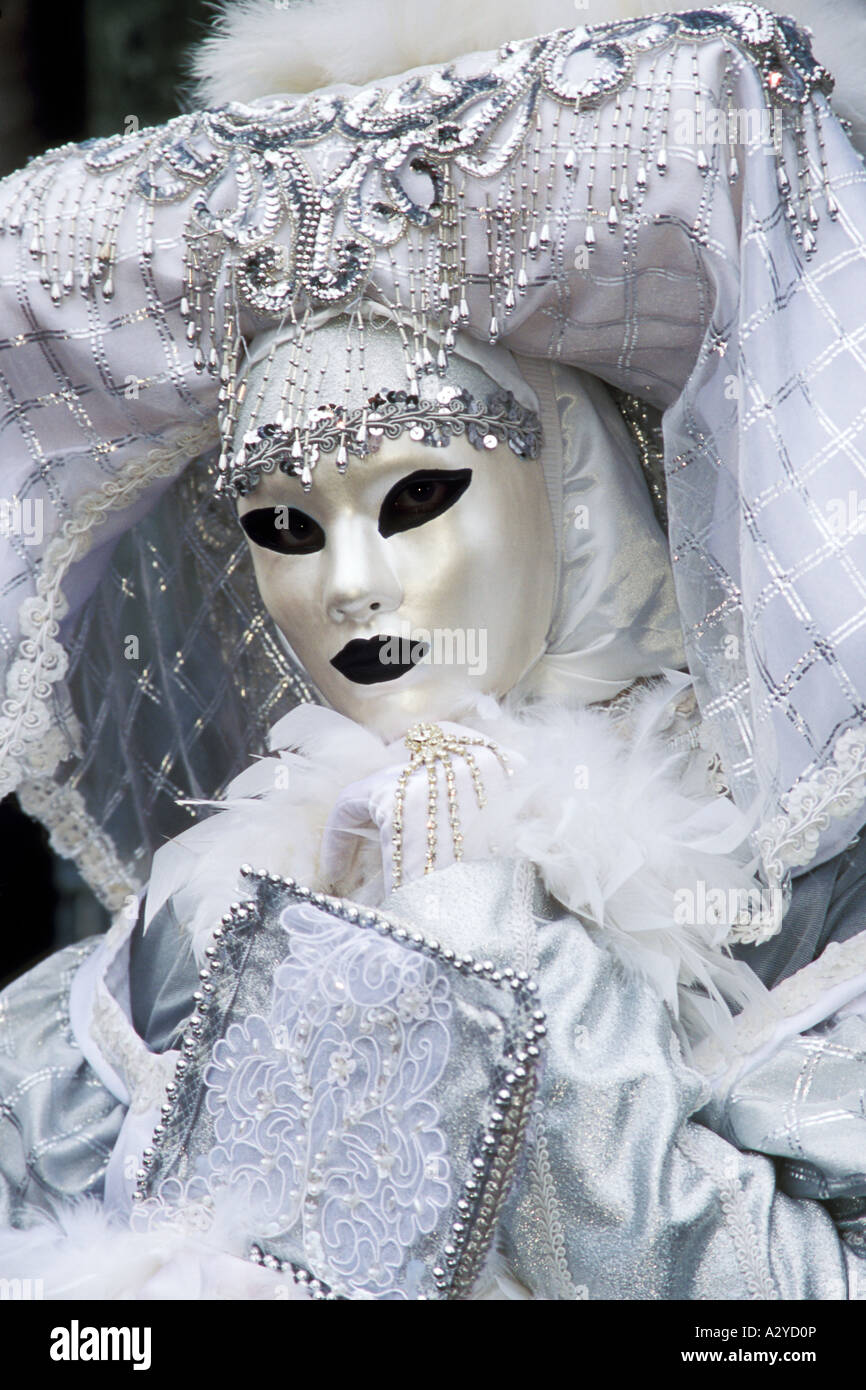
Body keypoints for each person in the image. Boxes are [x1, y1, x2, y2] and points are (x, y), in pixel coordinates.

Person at [1, 0, 866, 1299]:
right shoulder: (189, 914)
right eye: (283, 524)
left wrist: (493, 936)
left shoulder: (788, 882)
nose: (348, 584)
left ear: (577, 497)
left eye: (415, 495)